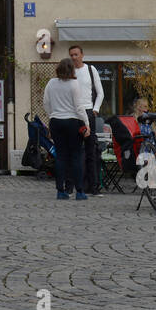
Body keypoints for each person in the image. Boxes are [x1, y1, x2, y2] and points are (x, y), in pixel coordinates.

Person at [43, 58, 86, 199]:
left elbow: (46, 103)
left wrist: (52, 116)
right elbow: (79, 107)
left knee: (60, 156)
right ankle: (79, 191)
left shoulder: (51, 83)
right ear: (72, 70)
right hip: (72, 122)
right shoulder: (74, 84)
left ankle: (60, 190)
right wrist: (87, 124)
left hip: (56, 122)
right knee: (76, 156)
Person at [68, 45, 105, 196]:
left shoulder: (91, 70)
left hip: (89, 111)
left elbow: (100, 92)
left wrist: (95, 109)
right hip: (73, 113)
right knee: (73, 151)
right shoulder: (69, 72)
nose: (74, 57)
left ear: (82, 55)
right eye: (71, 55)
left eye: (76, 54)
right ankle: (70, 187)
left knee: (91, 152)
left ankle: (93, 187)